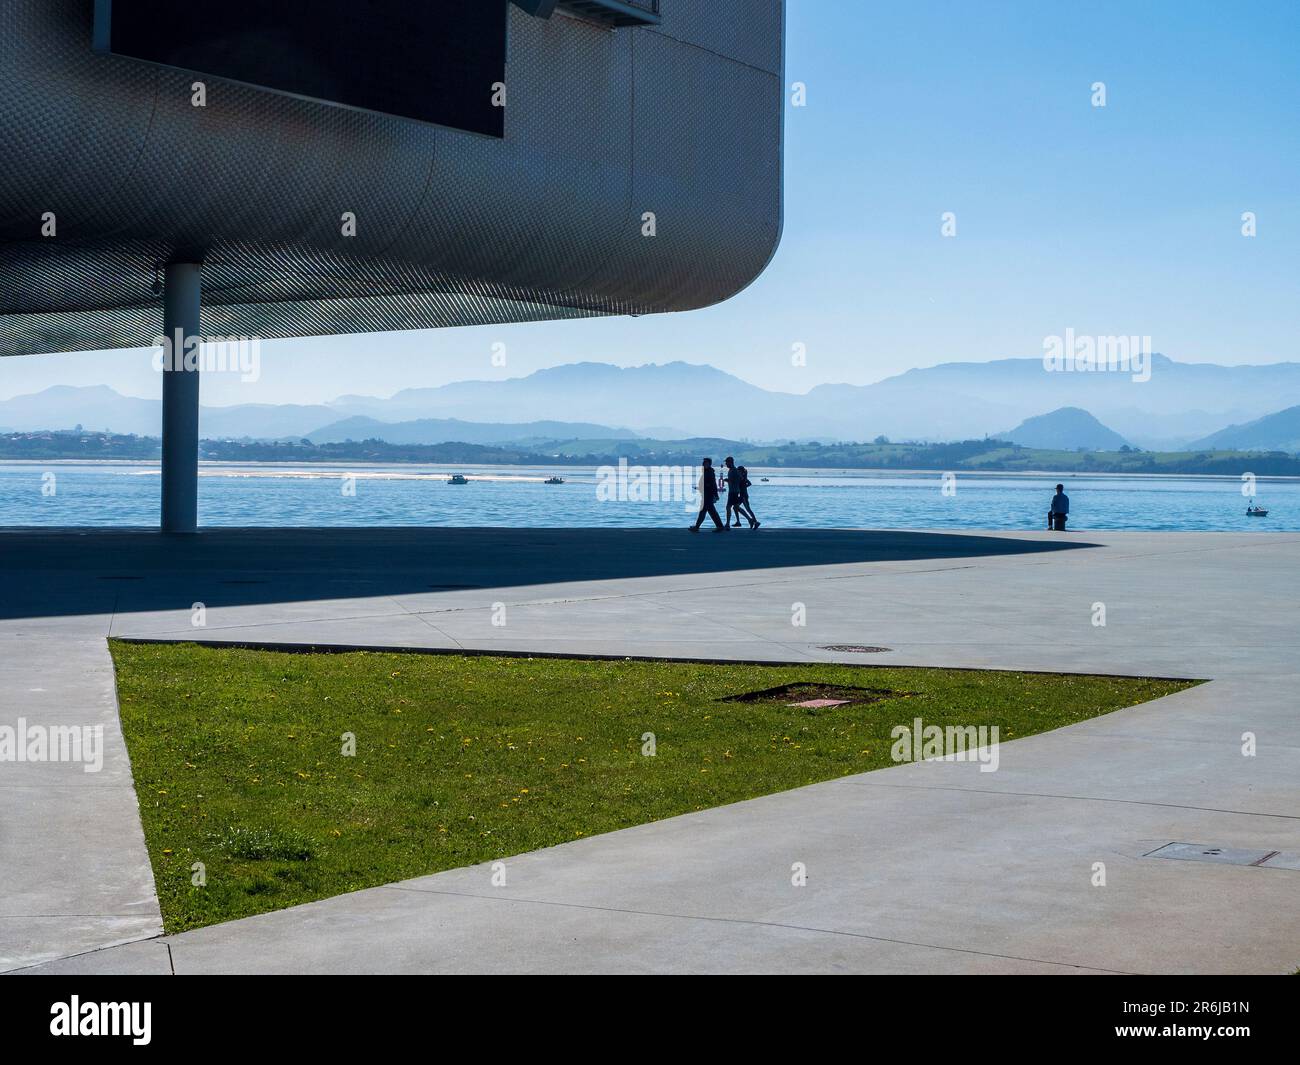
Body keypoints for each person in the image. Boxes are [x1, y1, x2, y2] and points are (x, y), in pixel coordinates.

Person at [690, 457, 726, 531]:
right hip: (706, 494)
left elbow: (713, 484)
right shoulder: (707, 471)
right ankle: (720, 526)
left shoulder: (709, 472)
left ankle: (697, 527)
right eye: (703, 463)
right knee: (711, 512)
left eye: (705, 463)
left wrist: (715, 495)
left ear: (709, 464)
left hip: (708, 495)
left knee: (704, 511)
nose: (703, 464)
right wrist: (700, 487)